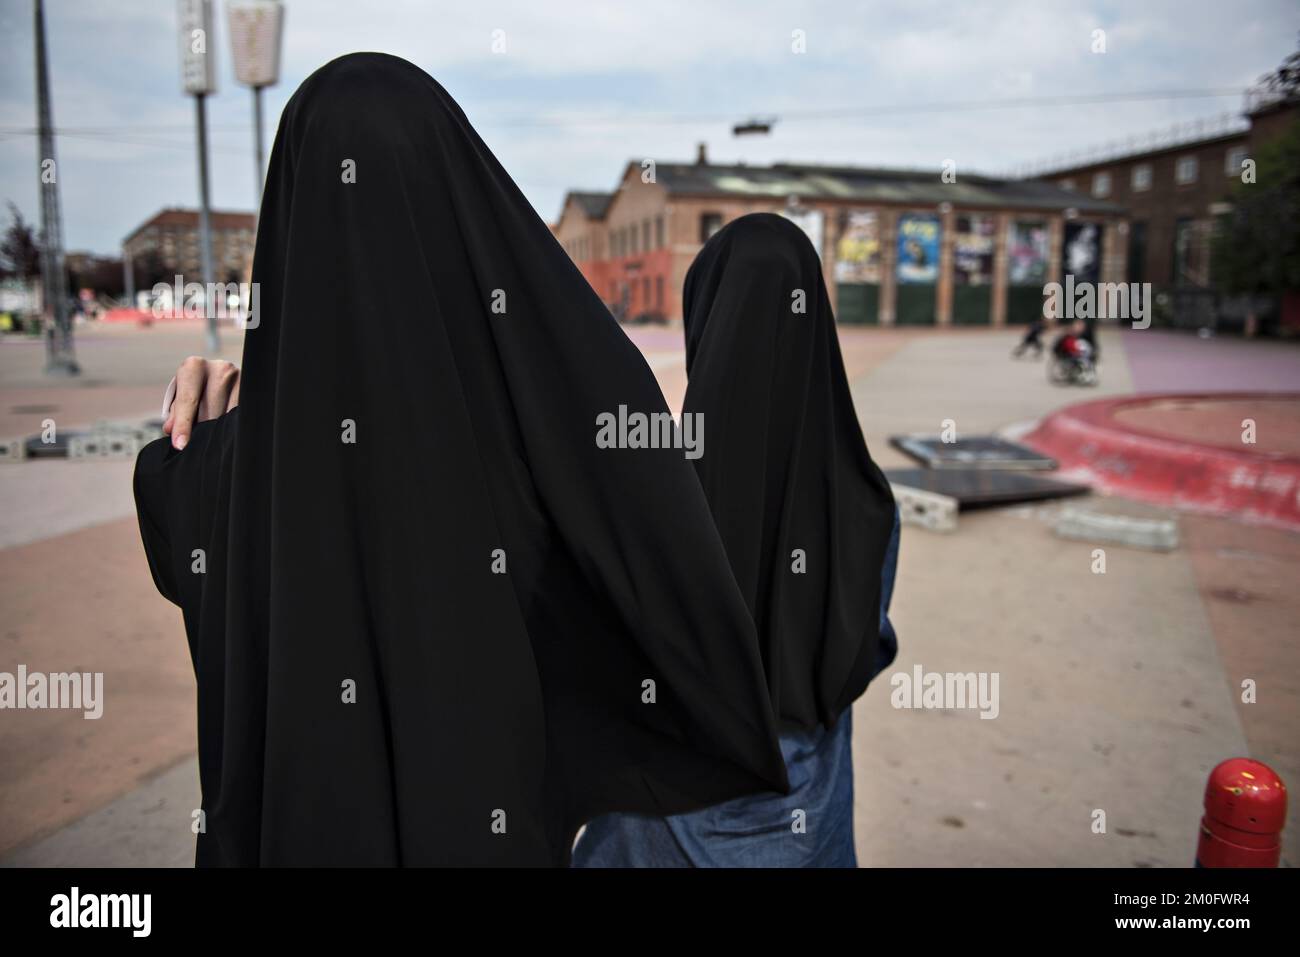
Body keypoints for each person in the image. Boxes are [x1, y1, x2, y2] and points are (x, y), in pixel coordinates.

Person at [134, 53, 789, 867]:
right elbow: (649, 513)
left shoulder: (217, 467)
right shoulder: (536, 443)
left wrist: (223, 404)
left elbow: (172, 496)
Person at [573, 214, 900, 868]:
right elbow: (863, 648)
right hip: (815, 811)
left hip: (668, 816)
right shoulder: (866, 500)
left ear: (707, 319)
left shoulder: (660, 495)